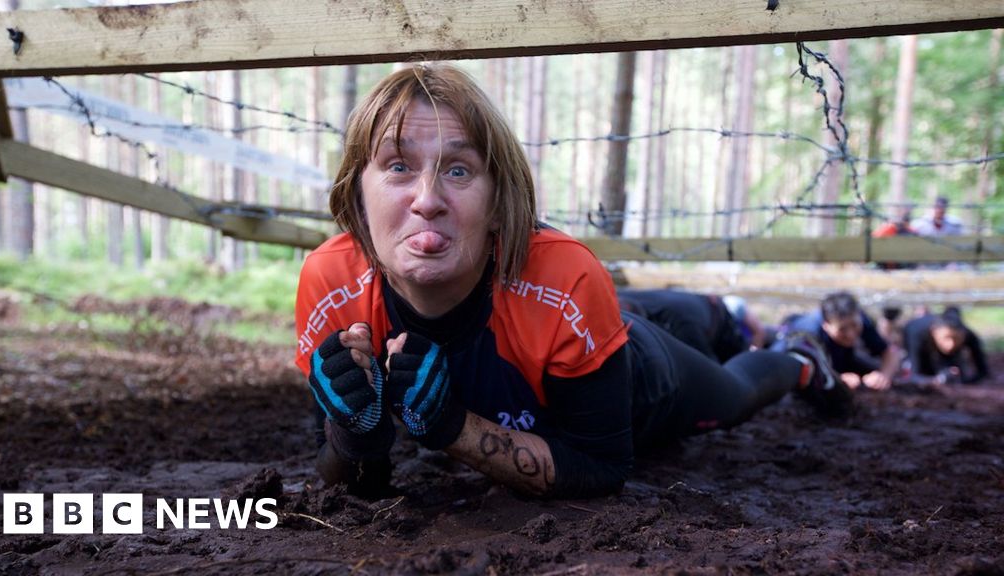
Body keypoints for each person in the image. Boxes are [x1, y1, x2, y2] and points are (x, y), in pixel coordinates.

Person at [294, 64, 850, 501]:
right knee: (606, 312)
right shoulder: (332, 280)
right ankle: (688, 311)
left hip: (634, 372)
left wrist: (451, 428)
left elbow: (604, 467)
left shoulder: (565, 276)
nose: (427, 199)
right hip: (554, 327)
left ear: (497, 201)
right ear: (357, 196)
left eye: (458, 170)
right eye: (397, 166)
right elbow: (349, 478)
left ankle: (799, 358)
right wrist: (354, 433)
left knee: (731, 396)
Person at [776, 291, 901, 391]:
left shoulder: (860, 319)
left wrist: (884, 376)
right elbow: (790, 369)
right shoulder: (808, 333)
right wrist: (836, 380)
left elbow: (890, 352)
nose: (851, 334)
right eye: (842, 329)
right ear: (826, 325)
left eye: (854, 325)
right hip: (802, 362)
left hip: (841, 359)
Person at [616, 289, 749, 363]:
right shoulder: (616, 299)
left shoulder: (685, 328)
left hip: (719, 323)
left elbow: (710, 370)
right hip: (698, 306)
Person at [902, 308, 989, 385]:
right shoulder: (916, 332)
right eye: (946, 338)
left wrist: (966, 381)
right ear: (934, 332)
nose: (951, 344)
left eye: (956, 339)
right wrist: (936, 380)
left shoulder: (969, 335)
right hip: (917, 337)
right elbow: (912, 375)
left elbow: (982, 371)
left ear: (963, 335)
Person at [871, 204, 916, 270]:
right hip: (885, 265)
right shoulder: (887, 228)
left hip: (902, 266)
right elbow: (873, 242)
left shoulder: (911, 231)